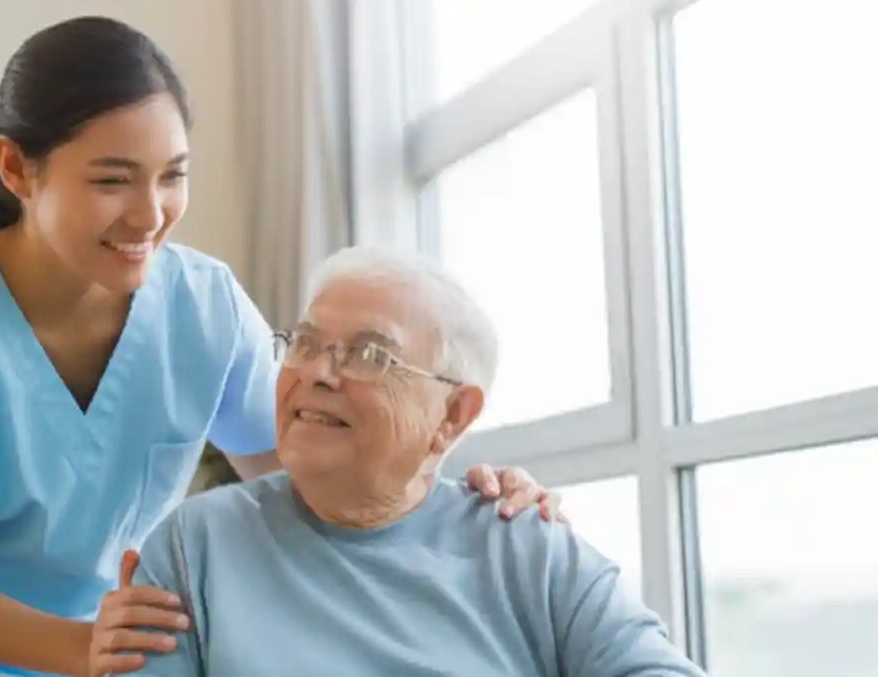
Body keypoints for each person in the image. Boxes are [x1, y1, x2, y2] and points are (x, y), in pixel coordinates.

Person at [0, 16, 562, 677]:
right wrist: (89, 650)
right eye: (113, 180)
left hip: (114, 654)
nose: (151, 215)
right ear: (16, 168)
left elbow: (319, 473)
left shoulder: (202, 308)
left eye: (173, 176)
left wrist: (461, 496)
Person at [129, 246, 707, 676]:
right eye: (305, 342)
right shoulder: (192, 548)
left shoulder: (529, 545)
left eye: (370, 355)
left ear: (452, 415)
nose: (318, 373)